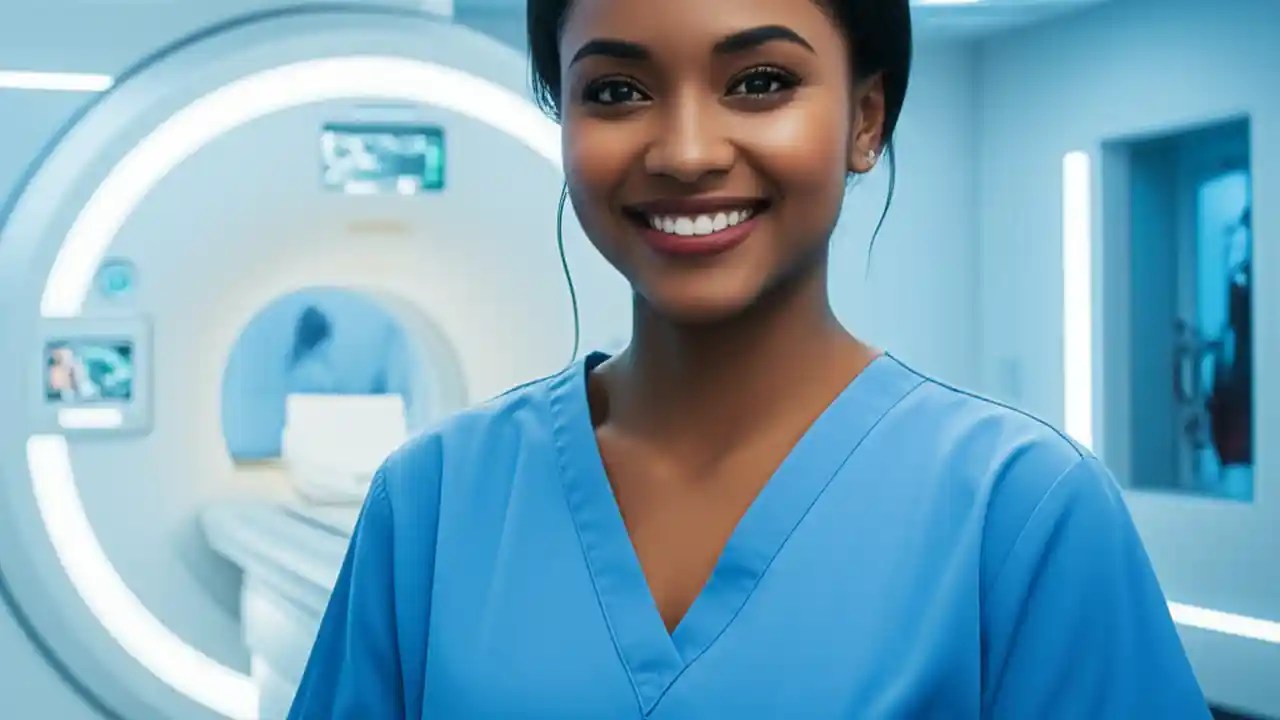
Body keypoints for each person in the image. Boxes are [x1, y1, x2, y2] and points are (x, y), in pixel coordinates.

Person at [289, 0, 1210, 717]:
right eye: (616, 91)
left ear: (865, 119)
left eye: (760, 81)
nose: (687, 153)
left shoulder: (1022, 513)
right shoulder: (433, 504)